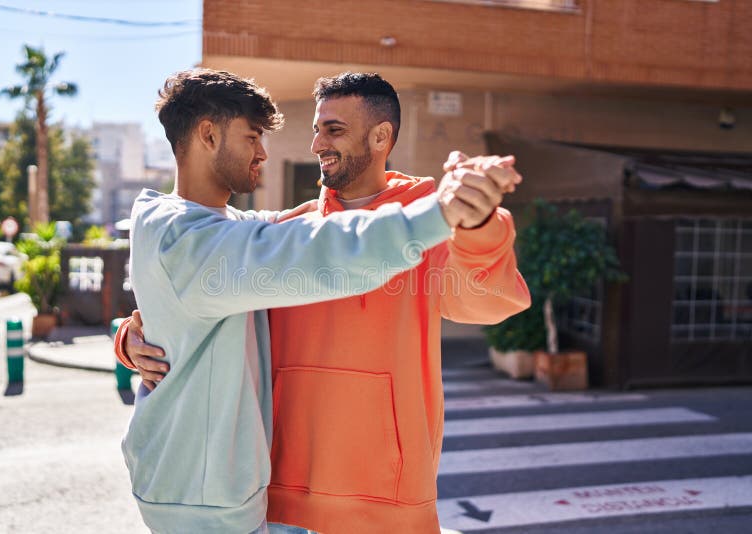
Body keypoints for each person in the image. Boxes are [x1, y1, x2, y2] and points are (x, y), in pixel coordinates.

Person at [120, 68, 516, 534]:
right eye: (316, 129)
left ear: (380, 136)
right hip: (281, 496)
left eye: (334, 130)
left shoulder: (425, 218)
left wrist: (474, 220)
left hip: (385, 498)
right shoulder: (286, 228)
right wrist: (138, 335)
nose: (316, 145)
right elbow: (219, 269)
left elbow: (488, 302)